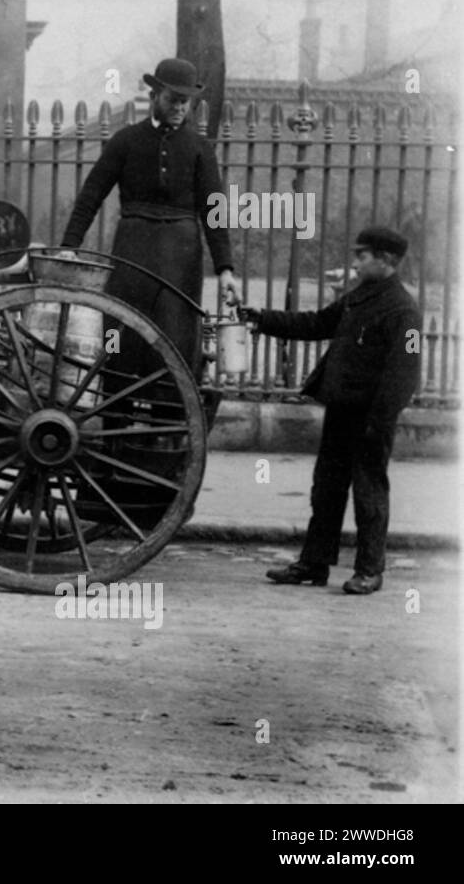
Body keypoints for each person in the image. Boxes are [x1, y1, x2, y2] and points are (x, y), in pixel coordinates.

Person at [240, 226, 422, 595]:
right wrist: (261, 318)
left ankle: (370, 570)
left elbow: (404, 376)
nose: (354, 264)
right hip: (342, 411)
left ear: (385, 261)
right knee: (326, 489)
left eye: (362, 256)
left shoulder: (404, 310)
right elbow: (317, 322)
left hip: (371, 419)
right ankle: (315, 563)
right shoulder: (360, 297)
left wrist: (379, 421)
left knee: (369, 492)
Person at [58, 57, 242, 377]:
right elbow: (91, 196)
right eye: (173, 100)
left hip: (181, 258)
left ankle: (170, 420)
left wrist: (225, 269)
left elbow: (214, 211)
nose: (180, 108)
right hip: (132, 252)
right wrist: (69, 245)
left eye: (186, 102)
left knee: (176, 337)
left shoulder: (200, 148)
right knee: (120, 332)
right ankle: (117, 411)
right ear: (154, 95)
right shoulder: (125, 141)